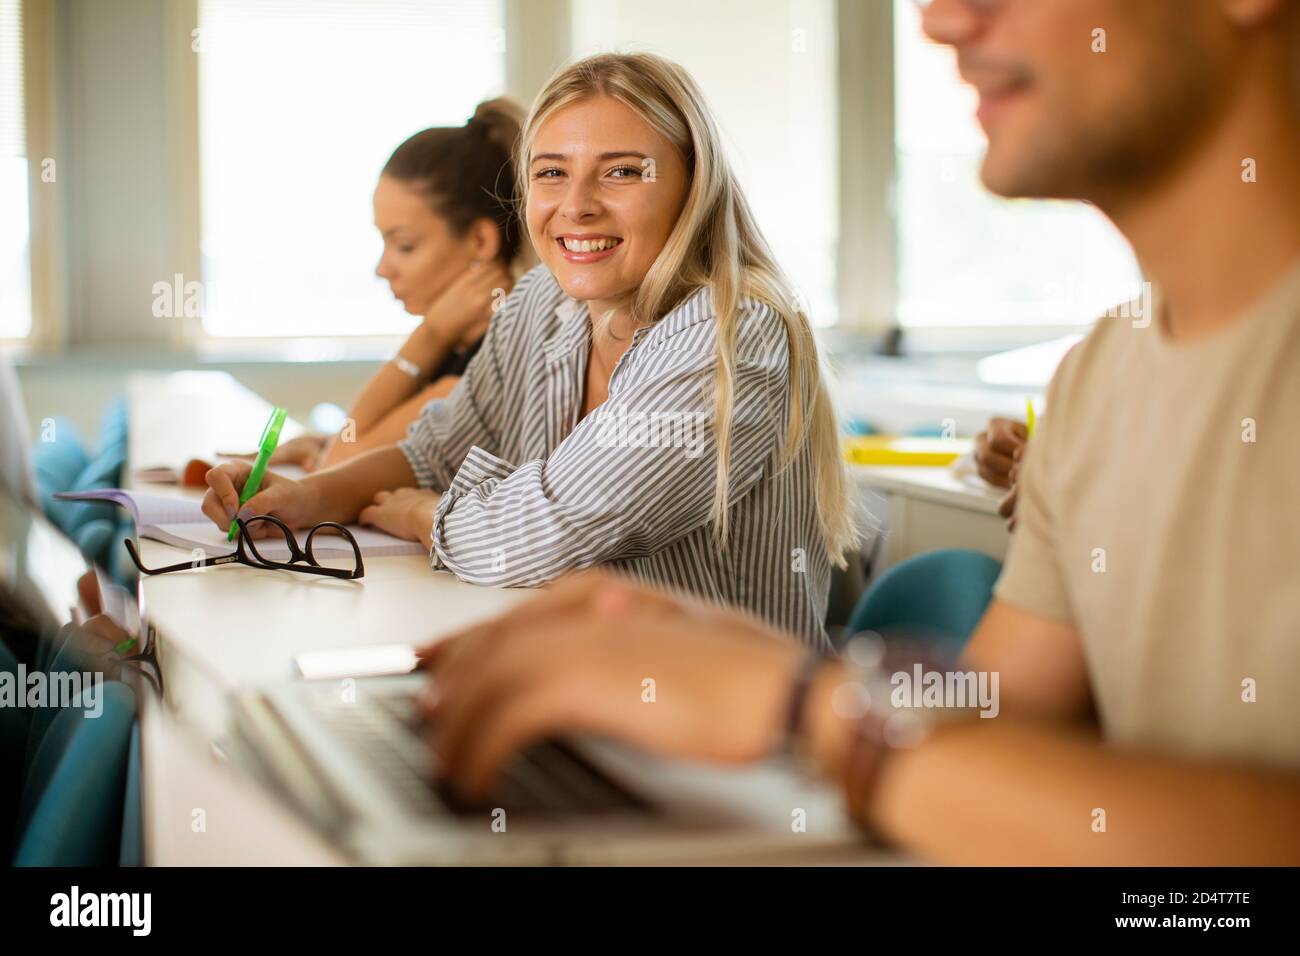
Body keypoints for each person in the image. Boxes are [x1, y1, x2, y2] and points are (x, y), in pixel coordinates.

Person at [416, 0, 1300, 865]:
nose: (941, 20)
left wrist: (800, 703)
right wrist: (709, 654)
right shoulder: (1104, 378)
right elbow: (996, 720)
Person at [200, 53, 858, 646]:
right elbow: (436, 452)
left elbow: (550, 532)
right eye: (552, 173)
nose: (576, 207)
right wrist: (306, 499)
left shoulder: (729, 332)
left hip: (728, 740)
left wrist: (432, 517)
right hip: (581, 685)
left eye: (622, 173)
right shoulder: (545, 300)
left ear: (694, 186)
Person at [258, 98, 530, 472]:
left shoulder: (485, 368)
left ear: (481, 242)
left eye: (404, 245)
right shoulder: (457, 351)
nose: (382, 269)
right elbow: (349, 447)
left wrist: (430, 333)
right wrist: (324, 443)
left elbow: (340, 463)